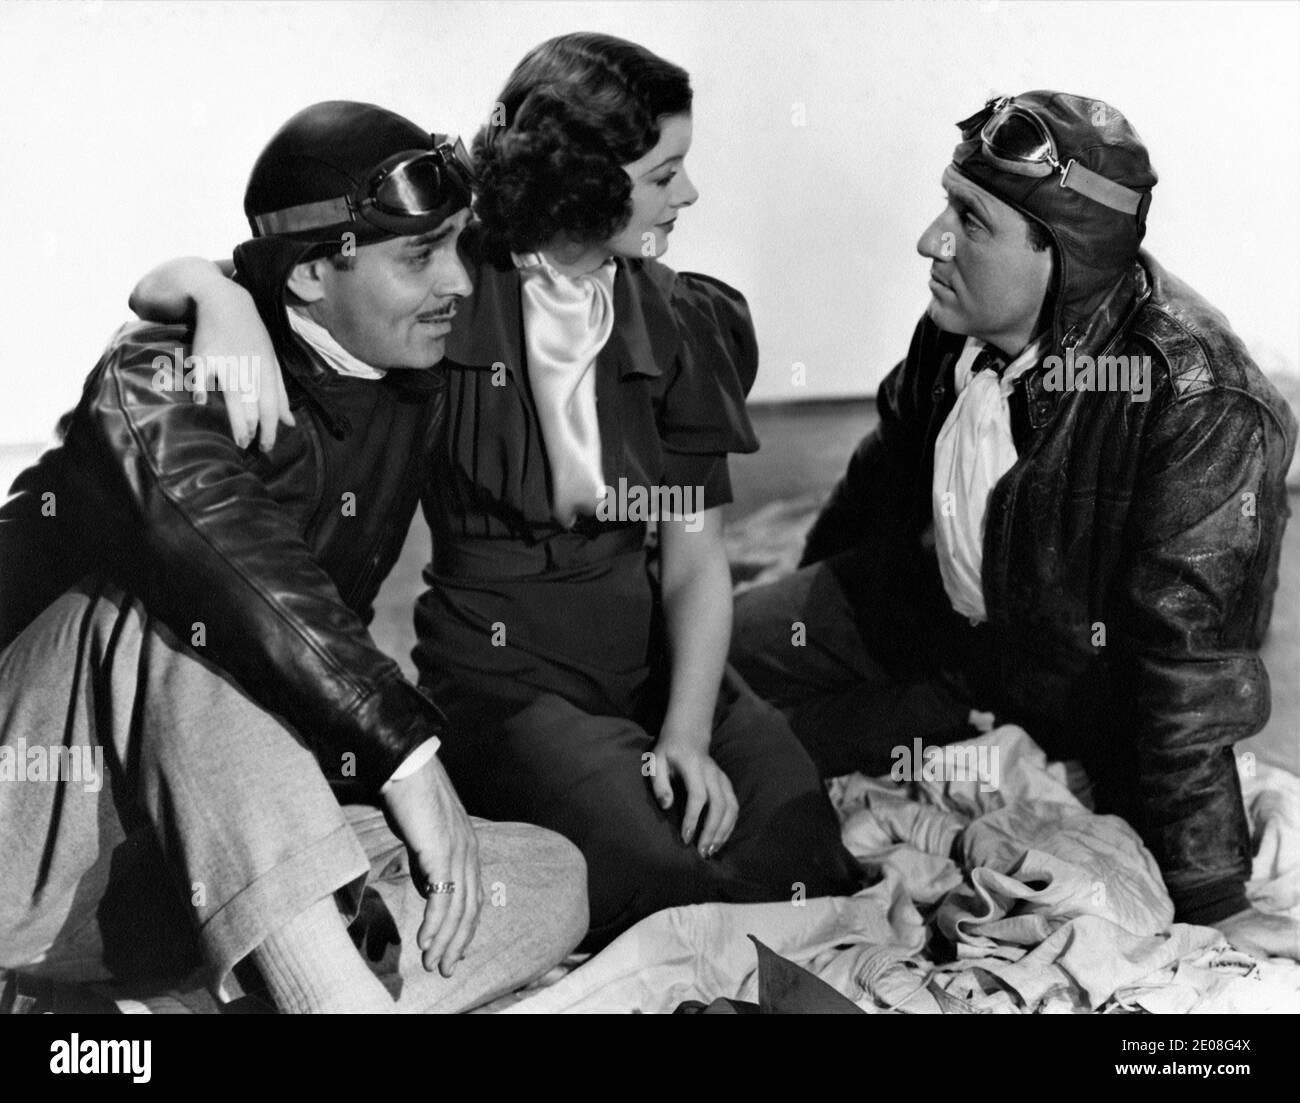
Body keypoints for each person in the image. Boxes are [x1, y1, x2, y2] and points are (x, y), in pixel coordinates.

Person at [131, 34, 862, 952]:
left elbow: (693, 562)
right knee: (660, 880)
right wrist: (216, 291)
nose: (689, 195)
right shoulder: (444, 288)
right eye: (666, 173)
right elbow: (279, 269)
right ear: (587, 180)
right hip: (504, 683)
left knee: (802, 843)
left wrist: (685, 728)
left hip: (652, 667)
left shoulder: (681, 321)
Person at [0, 100, 587, 1014]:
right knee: (196, 610)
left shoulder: (404, 387)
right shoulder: (169, 364)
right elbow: (211, 540)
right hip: (31, 819)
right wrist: (406, 749)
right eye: (419, 256)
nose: (460, 284)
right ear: (313, 273)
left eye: (458, 247)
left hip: (170, 863)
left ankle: (276, 985)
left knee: (544, 873)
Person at [728, 91, 1299, 959]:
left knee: (749, 768)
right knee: (691, 681)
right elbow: (879, 481)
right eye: (943, 203)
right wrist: (801, 615)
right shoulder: (958, 325)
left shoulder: (1198, 401)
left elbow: (1189, 666)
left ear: (1059, 255)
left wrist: (1213, 894)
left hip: (1075, 693)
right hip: (940, 625)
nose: (931, 240)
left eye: (969, 219)